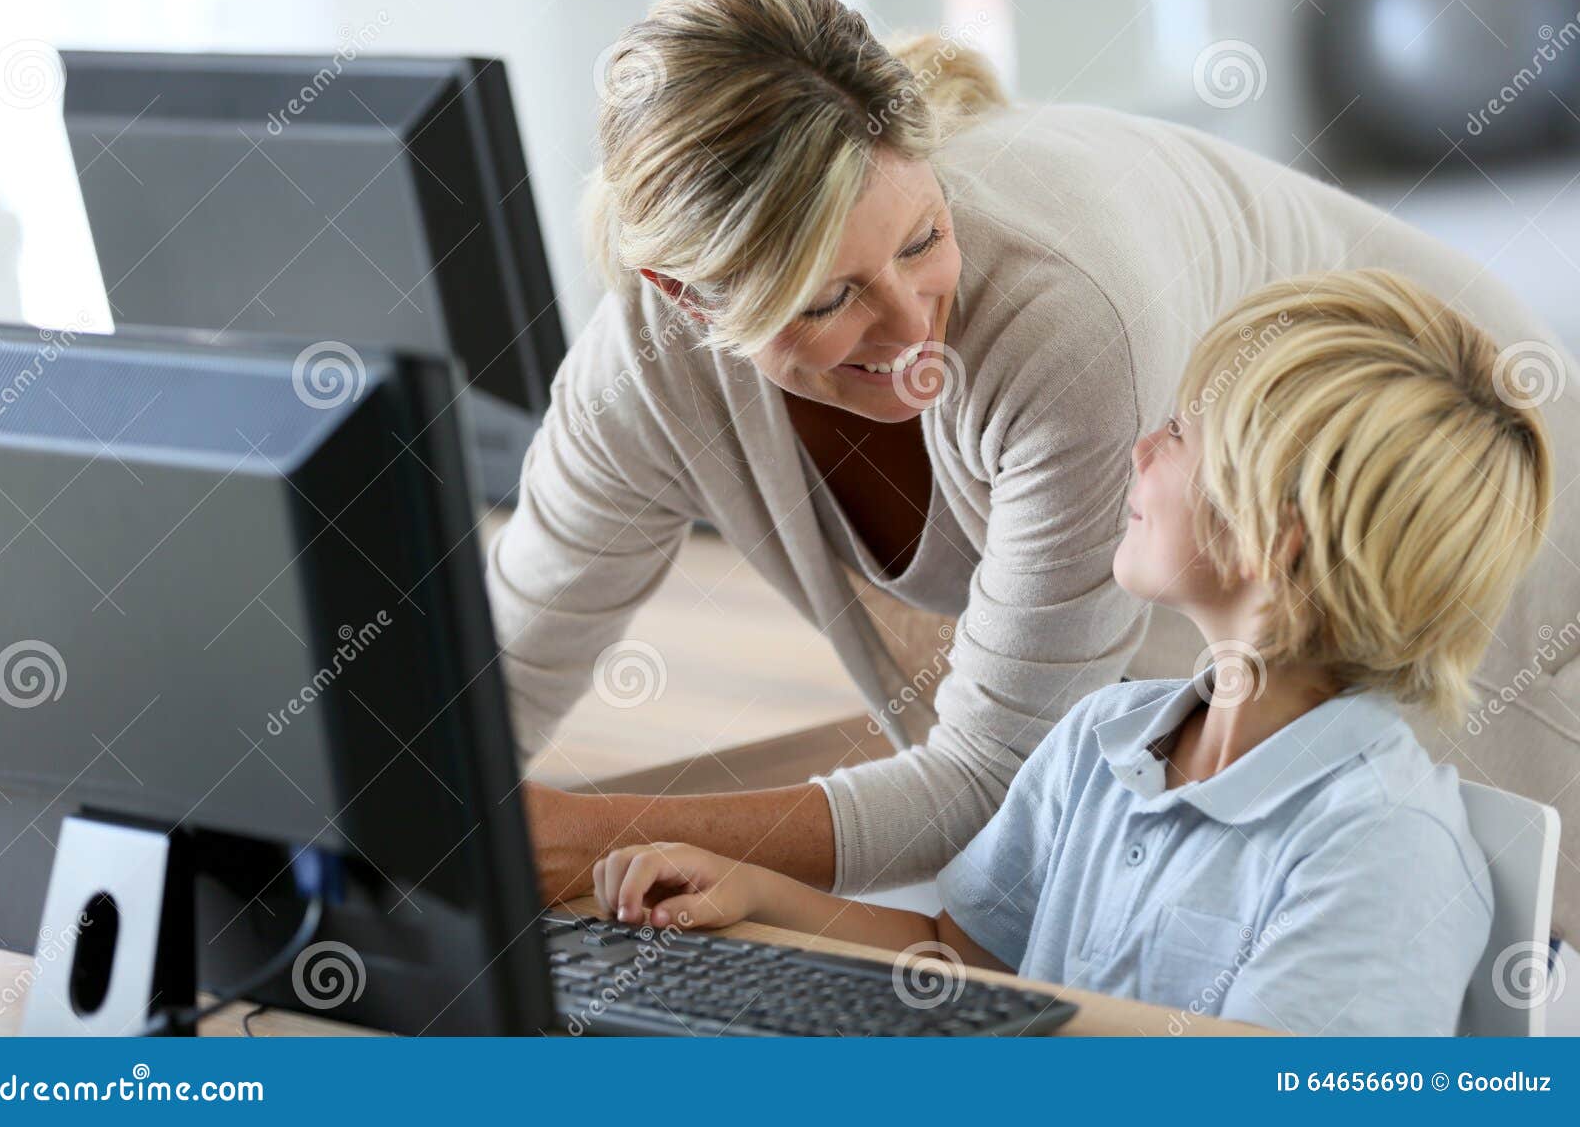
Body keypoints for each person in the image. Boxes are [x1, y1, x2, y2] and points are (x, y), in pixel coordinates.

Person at [489, 0, 1580, 929]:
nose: (914, 327)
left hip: (1445, 496)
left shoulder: (1065, 321)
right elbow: (502, 671)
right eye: (829, 299)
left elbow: (991, 773)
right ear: (684, 298)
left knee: (1490, 929)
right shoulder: (638, 375)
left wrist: (592, 835)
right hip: (1214, 554)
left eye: (923, 238)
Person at [587, 270, 1554, 1035]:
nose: (1141, 448)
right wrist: (763, 893)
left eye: (1179, 430)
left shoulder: (1383, 840)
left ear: (1274, 535)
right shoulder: (1103, 736)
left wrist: (1029, 1028)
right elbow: (962, 960)